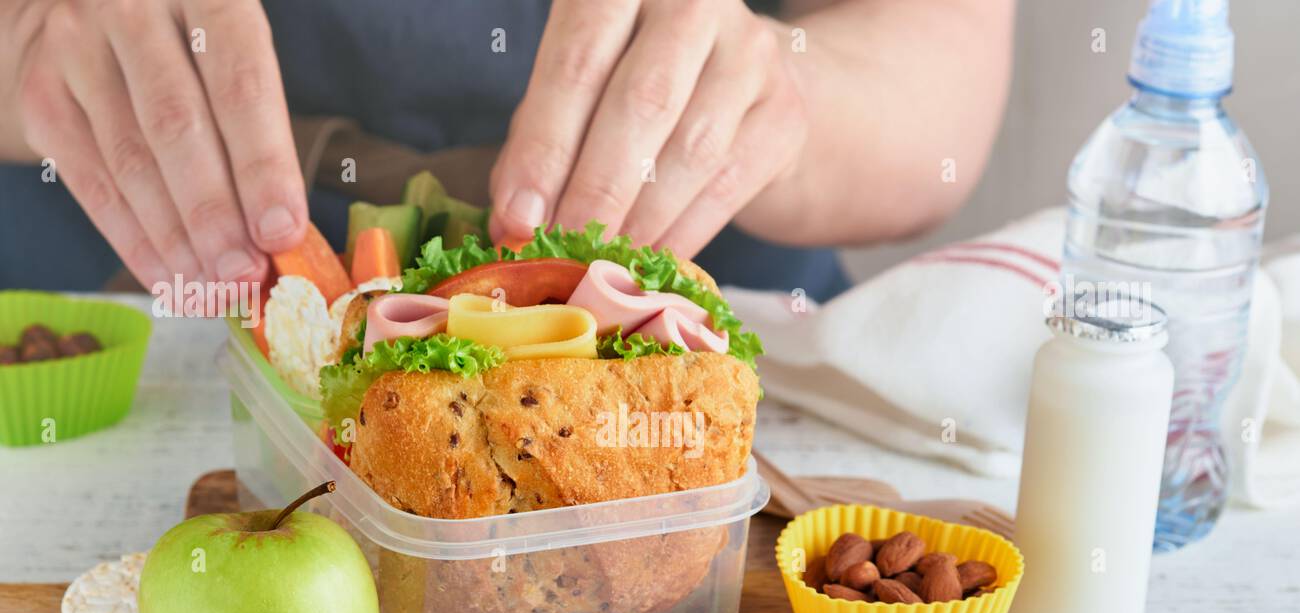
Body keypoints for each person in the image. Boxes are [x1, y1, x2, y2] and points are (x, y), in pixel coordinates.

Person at [0, 0, 1014, 299]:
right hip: (88, 310)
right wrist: (29, 45)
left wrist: (778, 96)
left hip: (702, 297)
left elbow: (940, 86)